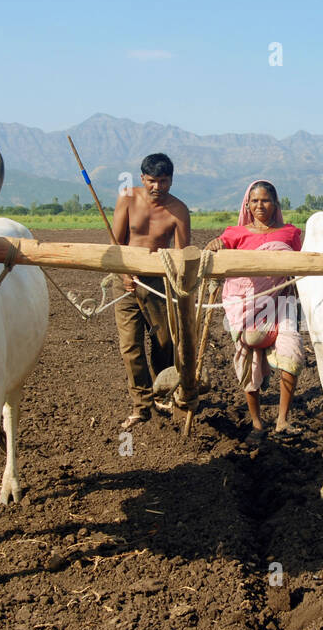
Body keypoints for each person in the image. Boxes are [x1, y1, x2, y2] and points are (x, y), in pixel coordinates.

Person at [204, 180, 303, 445]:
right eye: (255, 201)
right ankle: (257, 423)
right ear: (247, 204)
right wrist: (215, 245)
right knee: (249, 361)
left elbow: (304, 263)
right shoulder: (234, 233)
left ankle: (283, 419)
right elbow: (220, 248)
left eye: (266, 200)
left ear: (276, 203)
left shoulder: (291, 233)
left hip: (281, 303)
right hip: (246, 306)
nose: (260, 205)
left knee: (292, 354)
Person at [112, 153, 191, 430]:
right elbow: (117, 243)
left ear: (171, 180)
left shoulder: (179, 211)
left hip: (158, 282)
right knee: (130, 346)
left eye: (163, 181)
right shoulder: (127, 198)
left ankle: (161, 393)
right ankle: (141, 404)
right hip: (125, 280)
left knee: (165, 342)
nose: (157, 187)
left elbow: (182, 257)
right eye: (152, 181)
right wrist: (123, 274)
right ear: (142, 178)